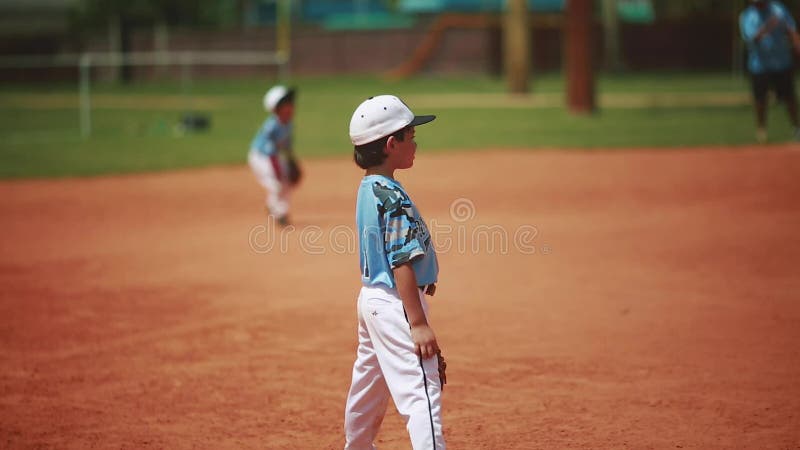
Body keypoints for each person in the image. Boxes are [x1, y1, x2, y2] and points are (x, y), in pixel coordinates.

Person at [343, 95, 446, 450]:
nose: (415, 141)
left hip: (372, 299)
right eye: (410, 135)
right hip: (395, 304)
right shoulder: (393, 198)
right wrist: (417, 322)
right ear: (391, 144)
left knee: (369, 383)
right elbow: (401, 260)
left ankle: (356, 445)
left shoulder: (370, 188)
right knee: (422, 390)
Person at [740, 0, 800, 143]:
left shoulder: (778, 9)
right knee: (760, 99)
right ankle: (761, 131)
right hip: (759, 65)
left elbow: (791, 29)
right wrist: (769, 25)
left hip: (782, 62)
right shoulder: (747, 16)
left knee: (789, 97)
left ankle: (797, 127)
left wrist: (796, 43)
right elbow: (752, 38)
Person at [248, 85, 300, 226]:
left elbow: (286, 146)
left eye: (291, 103)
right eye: (285, 104)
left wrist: (291, 161)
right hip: (260, 157)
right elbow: (269, 150)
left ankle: (277, 209)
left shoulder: (288, 124)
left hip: (273, 157)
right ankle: (278, 211)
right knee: (276, 184)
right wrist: (279, 169)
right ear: (276, 109)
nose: (290, 107)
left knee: (286, 181)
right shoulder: (272, 126)